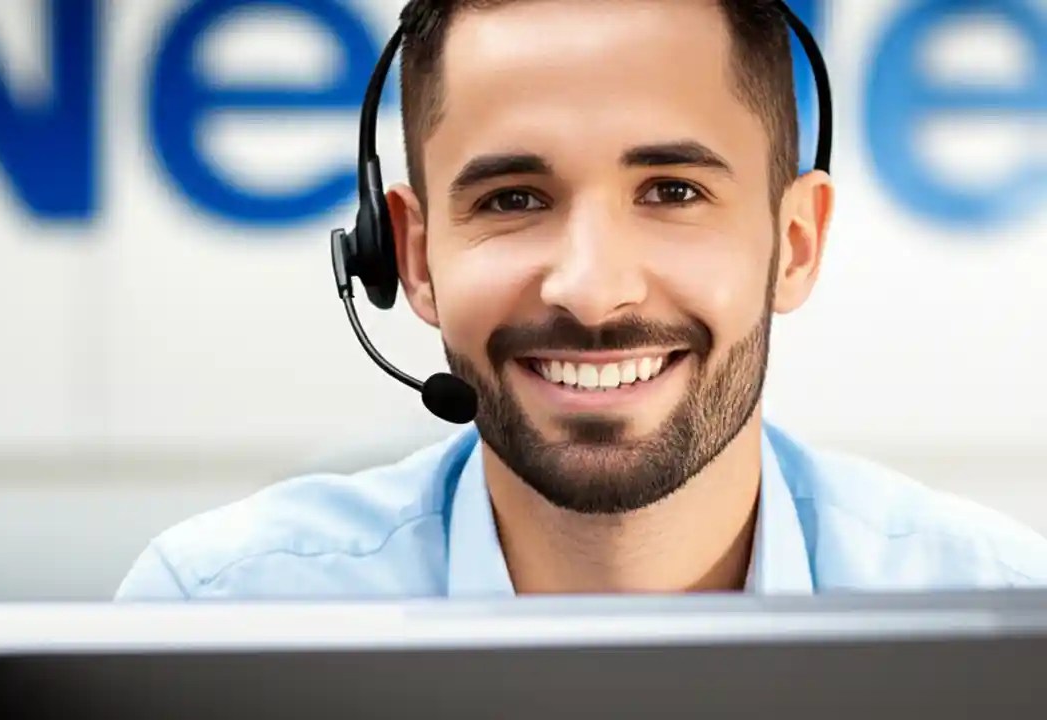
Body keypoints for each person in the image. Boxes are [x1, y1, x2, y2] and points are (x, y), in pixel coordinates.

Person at [116, 0, 1047, 600]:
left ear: (795, 244)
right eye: (513, 200)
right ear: (414, 257)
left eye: (673, 191)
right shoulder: (216, 615)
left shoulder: (1001, 617)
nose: (594, 293)